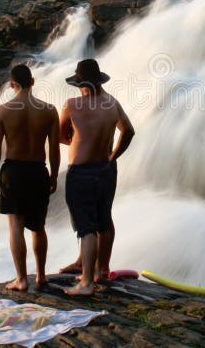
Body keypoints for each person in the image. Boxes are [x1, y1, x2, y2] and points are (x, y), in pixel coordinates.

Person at [60, 59, 135, 296]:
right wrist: (114, 155)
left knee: (86, 227)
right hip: (106, 168)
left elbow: (60, 135)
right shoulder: (112, 103)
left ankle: (87, 282)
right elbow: (129, 131)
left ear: (81, 84)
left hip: (81, 171)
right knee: (104, 220)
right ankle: (102, 269)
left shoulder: (72, 105)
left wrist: (74, 140)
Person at [0, 64, 60, 291]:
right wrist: (54, 175)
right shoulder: (49, 110)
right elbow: (54, 149)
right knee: (38, 227)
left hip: (14, 172)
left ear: (12, 84)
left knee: (16, 226)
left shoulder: (2, 111)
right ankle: (40, 276)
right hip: (38, 170)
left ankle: (21, 279)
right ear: (33, 81)